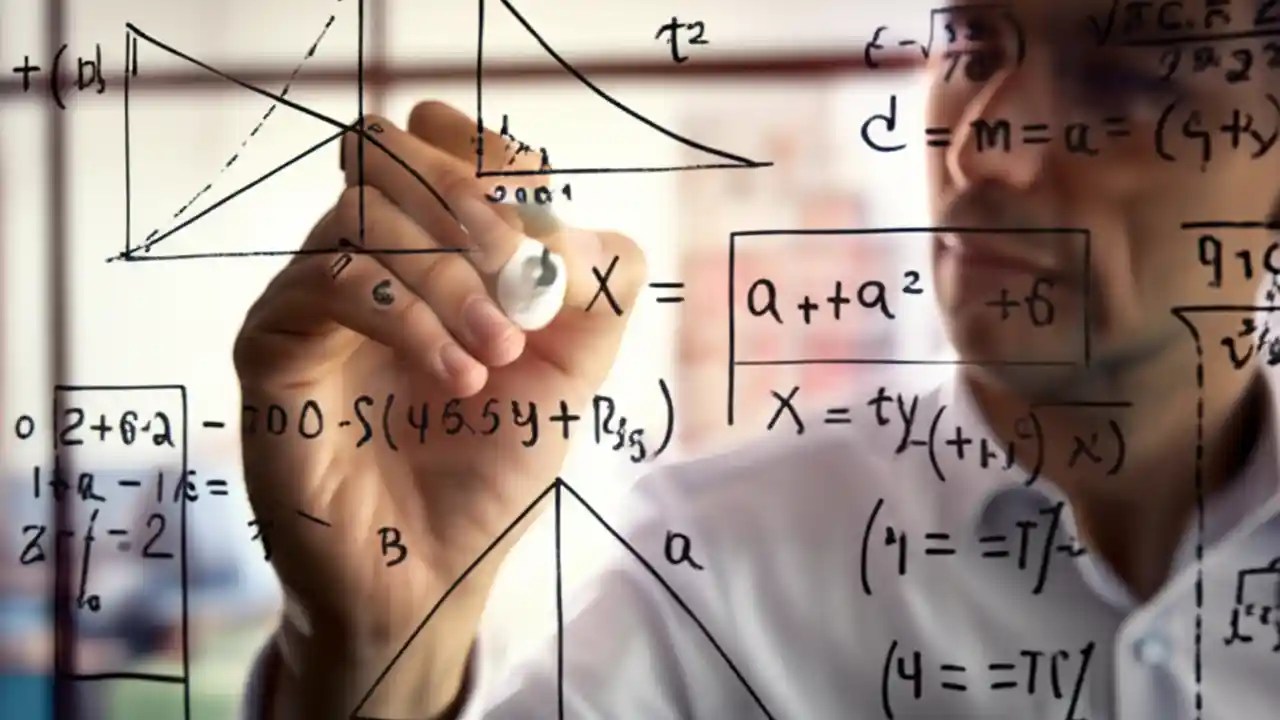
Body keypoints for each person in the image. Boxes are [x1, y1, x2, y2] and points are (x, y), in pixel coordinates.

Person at [238, 1, 1280, 717]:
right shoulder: (712, 568)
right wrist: (378, 656)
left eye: (1126, 80)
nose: (981, 145)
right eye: (969, 40)